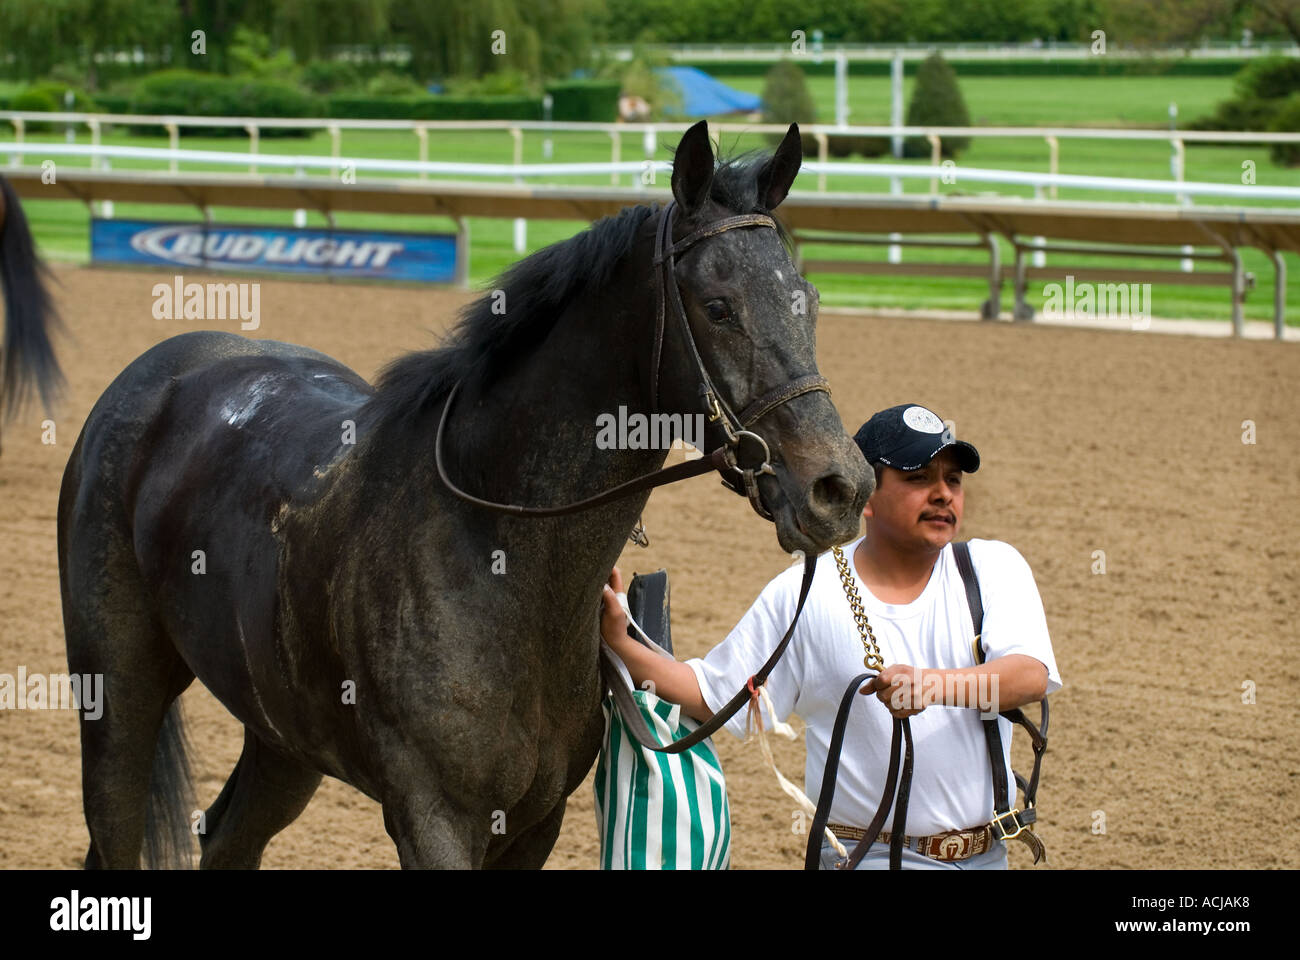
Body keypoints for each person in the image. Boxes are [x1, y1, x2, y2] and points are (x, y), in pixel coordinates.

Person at [599, 403, 1062, 870]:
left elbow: (1030, 676)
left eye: (953, 479)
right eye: (918, 478)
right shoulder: (805, 590)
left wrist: (935, 687)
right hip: (866, 856)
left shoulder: (991, 567)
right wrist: (621, 644)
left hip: (990, 856)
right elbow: (714, 695)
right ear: (863, 494)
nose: (943, 494)